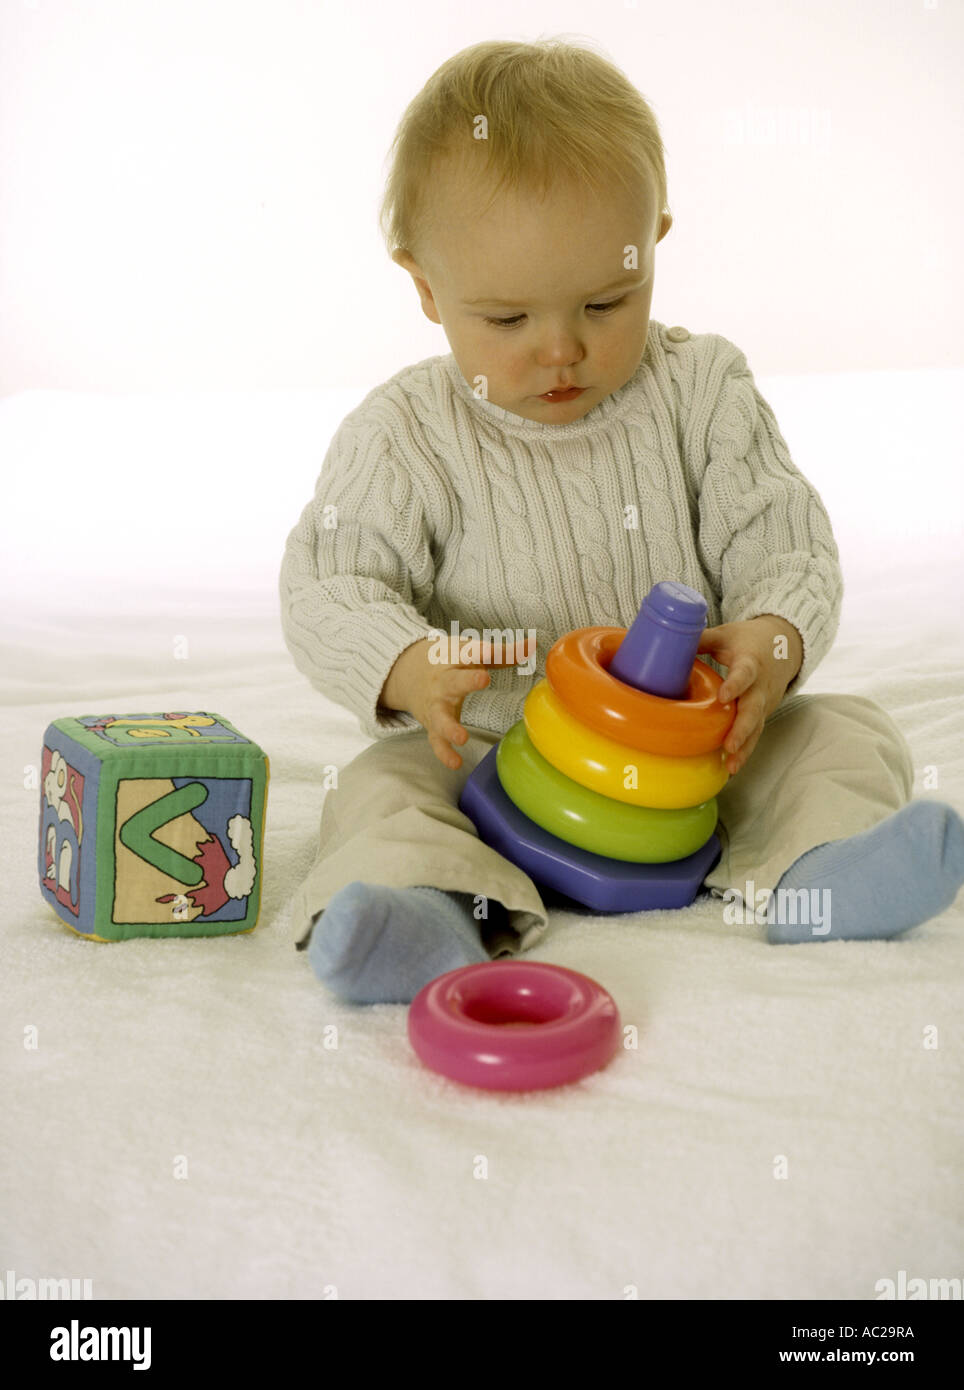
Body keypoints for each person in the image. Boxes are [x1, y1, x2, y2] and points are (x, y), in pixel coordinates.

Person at [279, 37, 964, 1003]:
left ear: (656, 242)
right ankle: (433, 914)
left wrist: (770, 640)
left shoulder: (703, 391)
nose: (562, 350)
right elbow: (329, 581)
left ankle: (821, 875)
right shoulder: (401, 435)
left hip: (697, 757)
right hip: (489, 764)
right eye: (506, 321)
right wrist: (406, 663)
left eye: (608, 300)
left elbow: (781, 533)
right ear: (426, 289)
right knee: (378, 787)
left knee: (844, 734)